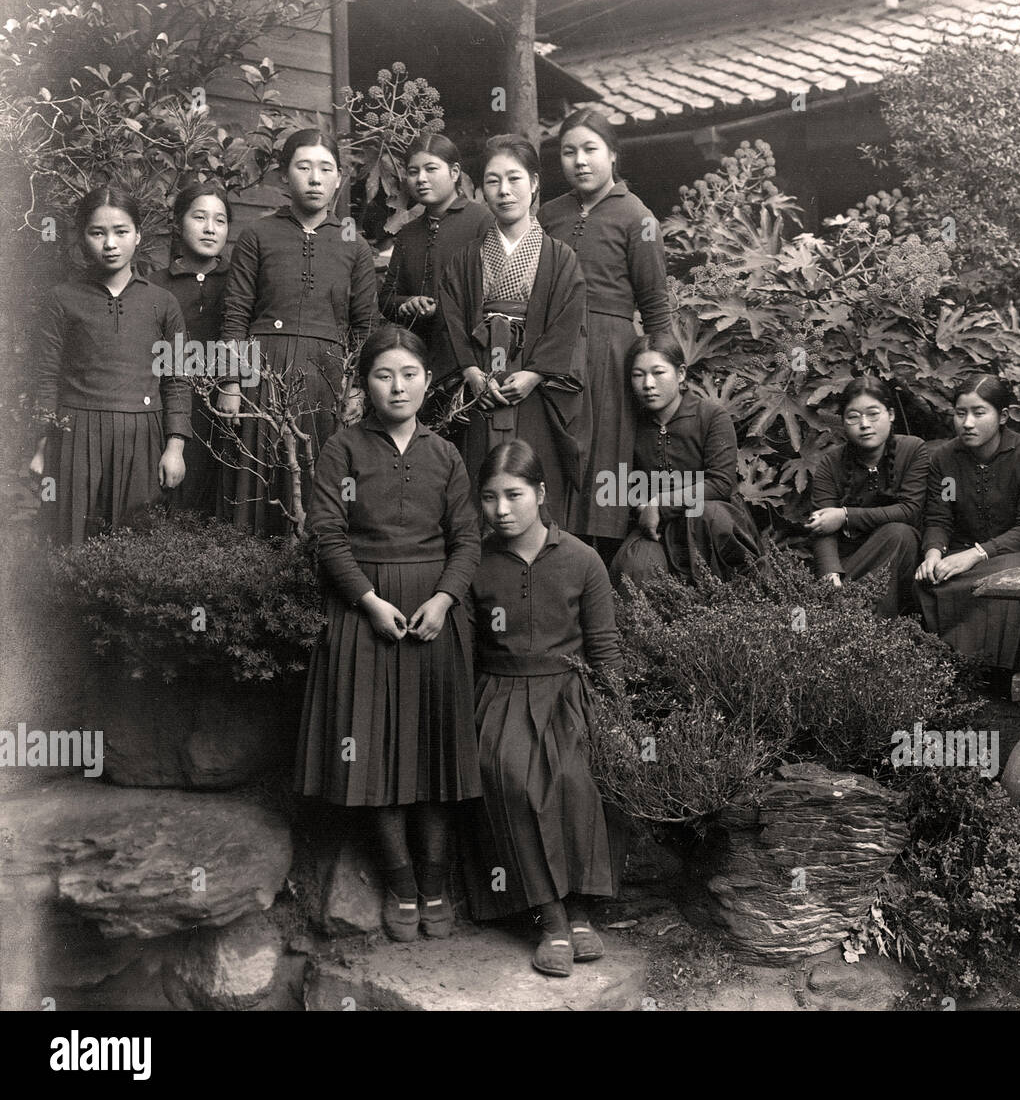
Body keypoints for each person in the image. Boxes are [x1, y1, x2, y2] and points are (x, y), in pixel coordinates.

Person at [296, 324, 481, 943]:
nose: (397, 386)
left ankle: (435, 883)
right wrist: (369, 602)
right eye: (382, 375)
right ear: (364, 384)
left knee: (431, 756)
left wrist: (446, 598)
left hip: (434, 617)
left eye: (408, 374)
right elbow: (326, 534)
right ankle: (400, 884)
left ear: (428, 382)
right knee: (374, 755)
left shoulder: (445, 454)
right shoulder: (342, 449)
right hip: (364, 617)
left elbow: (468, 539)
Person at [466, 440, 623, 977]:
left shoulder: (582, 559)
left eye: (513, 495)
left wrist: (615, 714)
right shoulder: (474, 564)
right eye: (489, 498)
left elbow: (603, 646)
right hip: (499, 692)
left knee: (576, 776)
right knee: (509, 776)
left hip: (567, 693)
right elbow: (463, 649)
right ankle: (549, 916)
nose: (501, 510)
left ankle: (581, 908)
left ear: (540, 493)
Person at [219, 128, 379, 536]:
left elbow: (364, 325)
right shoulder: (258, 234)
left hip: (327, 377)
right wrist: (231, 381)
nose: (315, 178)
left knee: (315, 479)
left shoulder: (353, 243)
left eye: (326, 169)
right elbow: (236, 311)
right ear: (284, 175)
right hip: (263, 371)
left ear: (339, 179)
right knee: (258, 478)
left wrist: (357, 386)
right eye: (303, 167)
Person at [538, 109, 673, 555]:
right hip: (554, 349)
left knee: (605, 456)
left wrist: (662, 371)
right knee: (556, 450)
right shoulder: (549, 215)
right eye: (569, 151)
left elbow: (655, 306)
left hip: (611, 352)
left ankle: (604, 567)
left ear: (613, 154)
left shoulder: (638, 216)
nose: (580, 161)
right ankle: (553, 555)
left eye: (591, 149)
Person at [438, 135, 588, 529]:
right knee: (477, 488)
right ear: (479, 187)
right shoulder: (465, 261)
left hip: (535, 391)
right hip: (479, 391)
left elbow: (568, 324)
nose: (504, 191)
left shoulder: (561, 259)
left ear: (535, 183)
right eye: (492, 180)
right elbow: (452, 321)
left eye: (515, 178)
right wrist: (471, 373)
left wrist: (536, 374)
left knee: (533, 480)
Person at [31, 186, 190, 545]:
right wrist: (41, 447)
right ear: (82, 237)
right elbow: (46, 375)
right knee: (70, 538)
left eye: (121, 231)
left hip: (142, 436)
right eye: (97, 232)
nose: (110, 244)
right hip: (76, 434)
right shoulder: (61, 299)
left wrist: (175, 446)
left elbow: (178, 379)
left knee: (135, 545)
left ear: (138, 235)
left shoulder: (163, 303)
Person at [914, 375, 1020, 669]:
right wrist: (933, 553)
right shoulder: (945, 459)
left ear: (1002, 416)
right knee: (930, 577)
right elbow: (940, 516)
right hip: (960, 551)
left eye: (979, 413)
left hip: (1015, 554)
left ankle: (995, 672)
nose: (967, 423)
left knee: (1006, 577)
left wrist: (976, 554)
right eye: (960, 413)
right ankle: (949, 669)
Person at [608, 339, 761, 589]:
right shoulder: (631, 423)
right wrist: (641, 507)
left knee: (707, 515)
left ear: (680, 374)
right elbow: (620, 481)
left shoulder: (711, 415)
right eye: (638, 375)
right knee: (636, 569)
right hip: (655, 527)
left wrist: (662, 503)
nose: (648, 384)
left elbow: (721, 483)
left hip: (710, 523)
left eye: (658, 373)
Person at [378, 131, 492, 392]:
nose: (421, 179)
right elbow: (386, 299)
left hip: (471, 359)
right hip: (418, 360)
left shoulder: (481, 221)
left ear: (454, 172)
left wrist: (440, 308)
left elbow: (491, 294)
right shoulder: (408, 232)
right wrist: (407, 303)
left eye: (431, 169)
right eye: (413, 171)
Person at [807, 376, 928, 616]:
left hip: (901, 560)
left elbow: (910, 509)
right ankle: (846, 616)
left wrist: (845, 516)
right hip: (850, 563)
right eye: (853, 417)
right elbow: (821, 527)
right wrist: (830, 574)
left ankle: (863, 626)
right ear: (843, 422)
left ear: (891, 414)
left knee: (899, 534)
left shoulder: (913, 449)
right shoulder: (830, 462)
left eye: (873, 414)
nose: (864, 424)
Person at [150, 181, 230, 515]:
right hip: (171, 405)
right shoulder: (155, 285)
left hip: (227, 406)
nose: (210, 229)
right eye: (199, 218)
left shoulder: (239, 282)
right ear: (178, 224)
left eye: (221, 220)